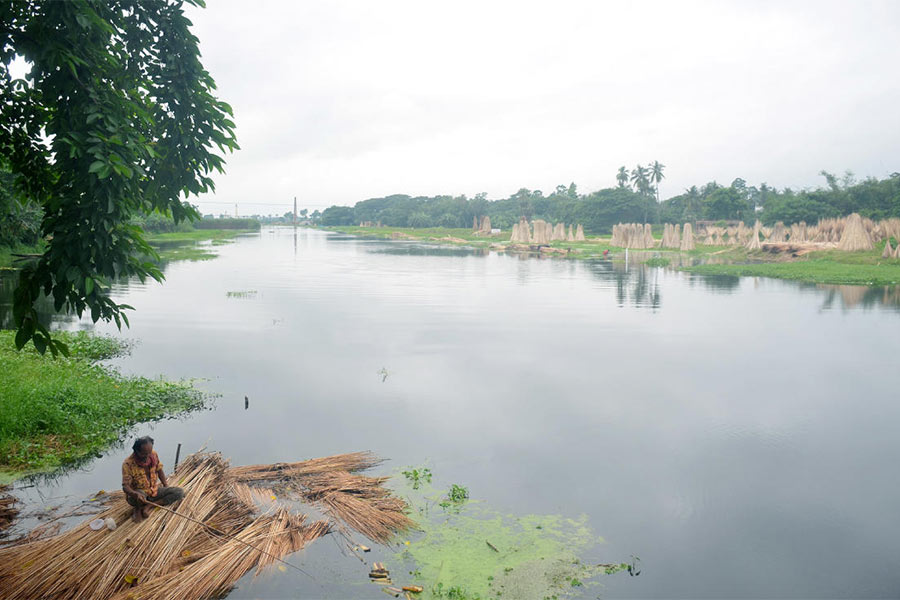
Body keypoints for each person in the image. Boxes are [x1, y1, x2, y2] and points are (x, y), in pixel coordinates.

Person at [122, 436, 184, 522]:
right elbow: (125, 487)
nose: (147, 456)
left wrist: (166, 486)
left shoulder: (153, 455)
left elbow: (159, 470)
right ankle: (138, 508)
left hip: (153, 491)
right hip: (139, 495)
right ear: (136, 451)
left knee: (179, 492)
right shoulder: (128, 464)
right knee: (139, 494)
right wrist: (135, 494)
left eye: (149, 453)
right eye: (144, 454)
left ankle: (150, 505)